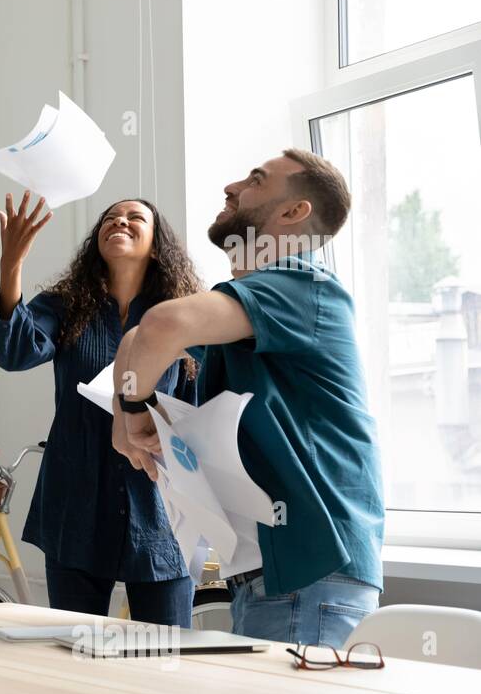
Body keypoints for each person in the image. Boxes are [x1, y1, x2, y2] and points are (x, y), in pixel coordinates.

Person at [0, 193, 205, 694]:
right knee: (78, 686)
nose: (120, 223)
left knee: (169, 684)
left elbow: (208, 393)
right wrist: (11, 265)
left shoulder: (185, 313)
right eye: (109, 218)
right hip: (77, 505)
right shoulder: (66, 307)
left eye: (136, 218)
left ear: (158, 243)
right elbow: (11, 348)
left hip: (161, 513)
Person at [112, 149, 383, 650]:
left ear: (293, 212)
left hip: (310, 574)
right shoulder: (254, 307)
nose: (232, 186)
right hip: (280, 579)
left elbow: (164, 326)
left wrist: (131, 414)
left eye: (256, 180)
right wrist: (124, 417)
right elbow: (136, 343)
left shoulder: (306, 285)